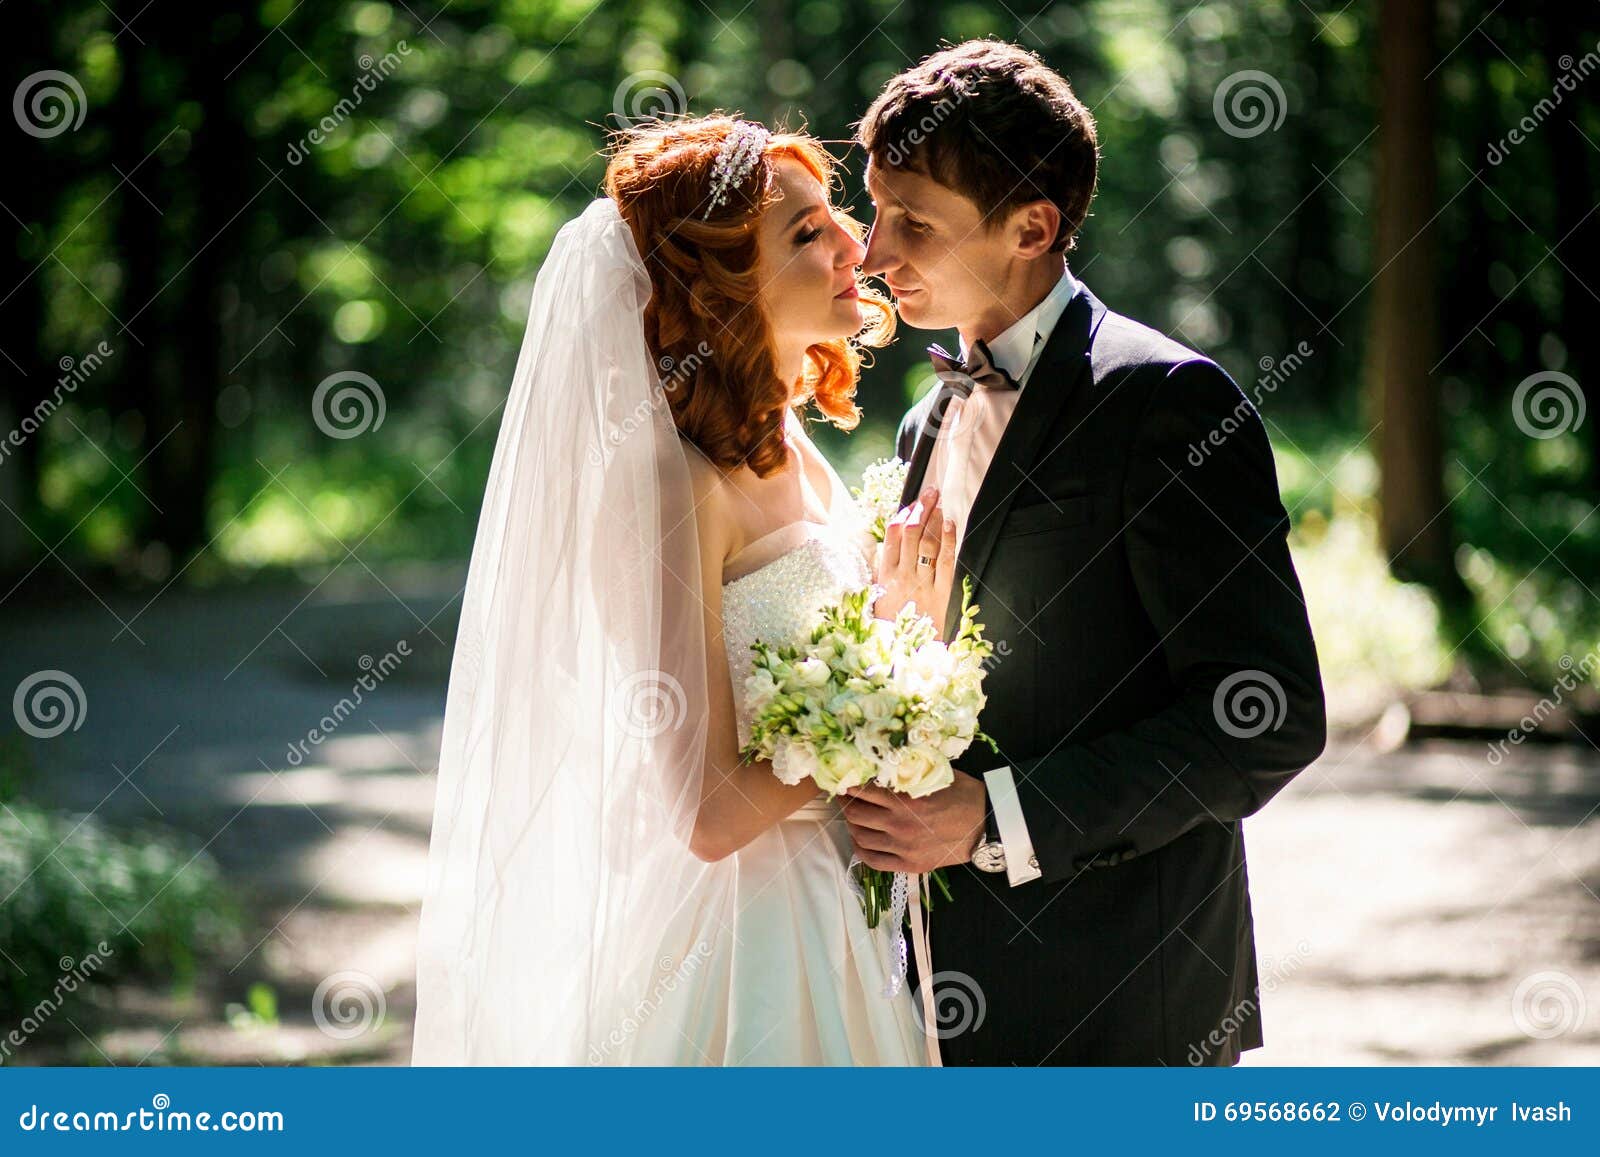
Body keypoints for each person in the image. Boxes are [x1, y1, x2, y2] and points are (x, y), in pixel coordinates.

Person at [411, 115, 944, 1065]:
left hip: (846, 903)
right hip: (755, 939)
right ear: (721, 284)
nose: (853, 246)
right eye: (806, 232)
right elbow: (705, 813)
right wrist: (882, 693)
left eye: (834, 217)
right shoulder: (681, 486)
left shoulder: (791, 441)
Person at [840, 39, 1328, 1066]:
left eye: (913, 224)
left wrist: (992, 815)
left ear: (1033, 225)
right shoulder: (921, 429)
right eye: (876, 212)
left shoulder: (1166, 403)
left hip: (1123, 1005)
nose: (872, 254)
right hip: (936, 1002)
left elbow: (1265, 717)